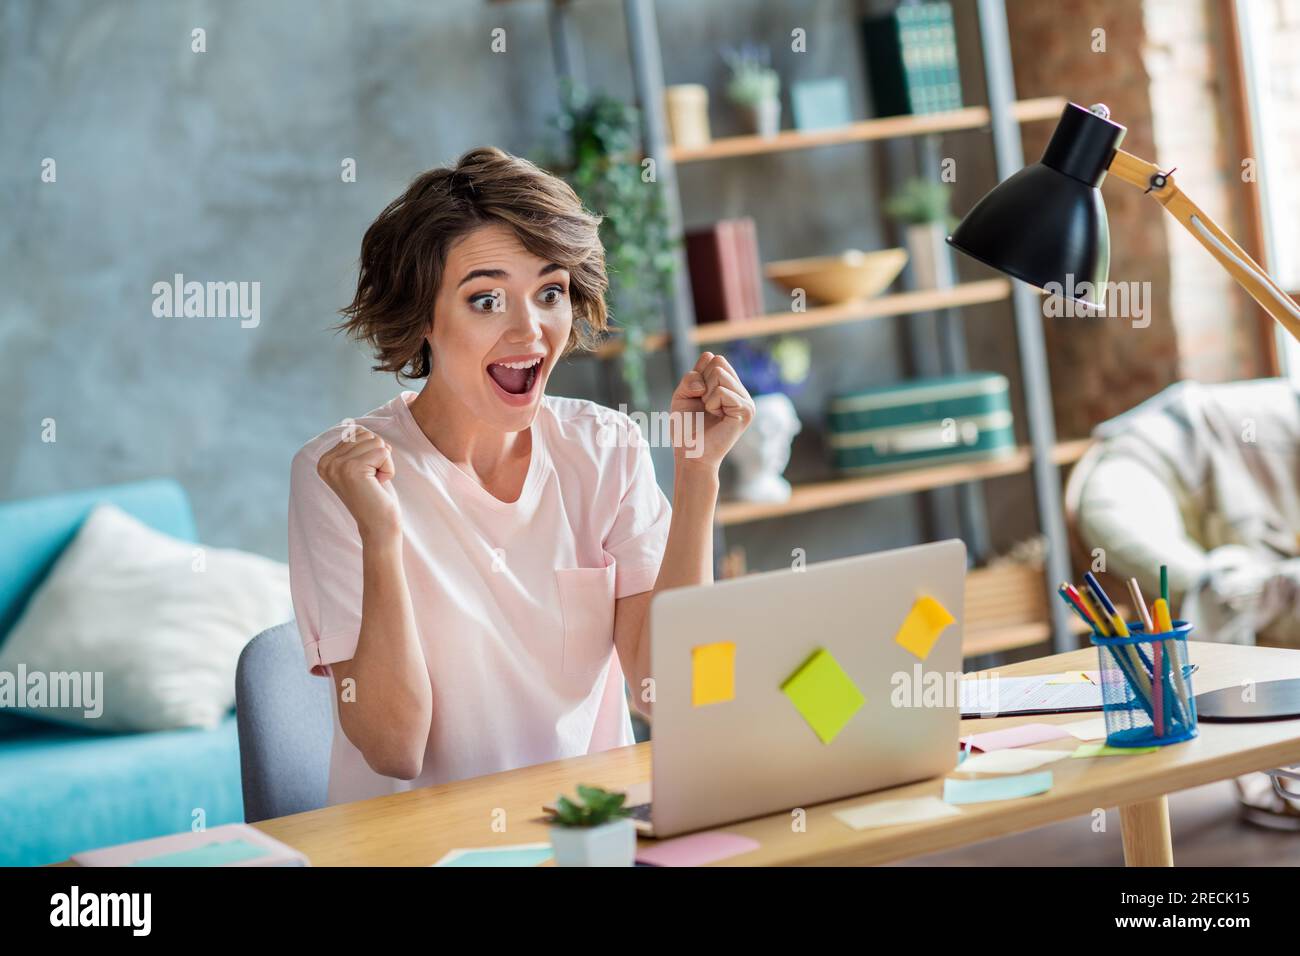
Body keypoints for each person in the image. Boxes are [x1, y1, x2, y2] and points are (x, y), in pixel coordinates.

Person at [287, 146, 754, 805]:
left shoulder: (603, 448)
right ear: (423, 316)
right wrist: (382, 535)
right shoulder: (338, 474)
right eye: (485, 299)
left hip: (585, 832)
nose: (528, 328)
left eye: (550, 292)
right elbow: (394, 748)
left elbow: (669, 694)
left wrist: (697, 477)